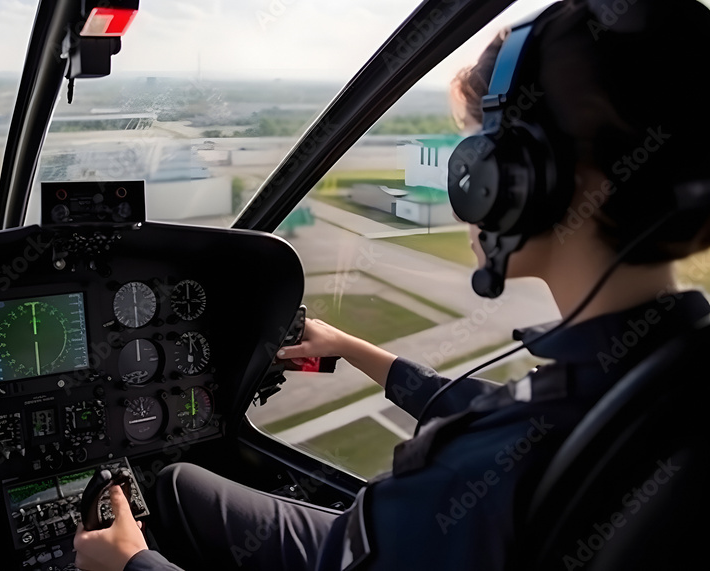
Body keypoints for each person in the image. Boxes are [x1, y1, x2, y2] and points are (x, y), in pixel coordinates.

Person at [73, 1, 710, 570]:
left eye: (477, 148)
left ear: (520, 178)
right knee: (180, 485)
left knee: (160, 493)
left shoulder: (474, 467)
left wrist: (131, 566)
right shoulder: (651, 374)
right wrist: (351, 348)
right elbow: (500, 413)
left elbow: (497, 436)